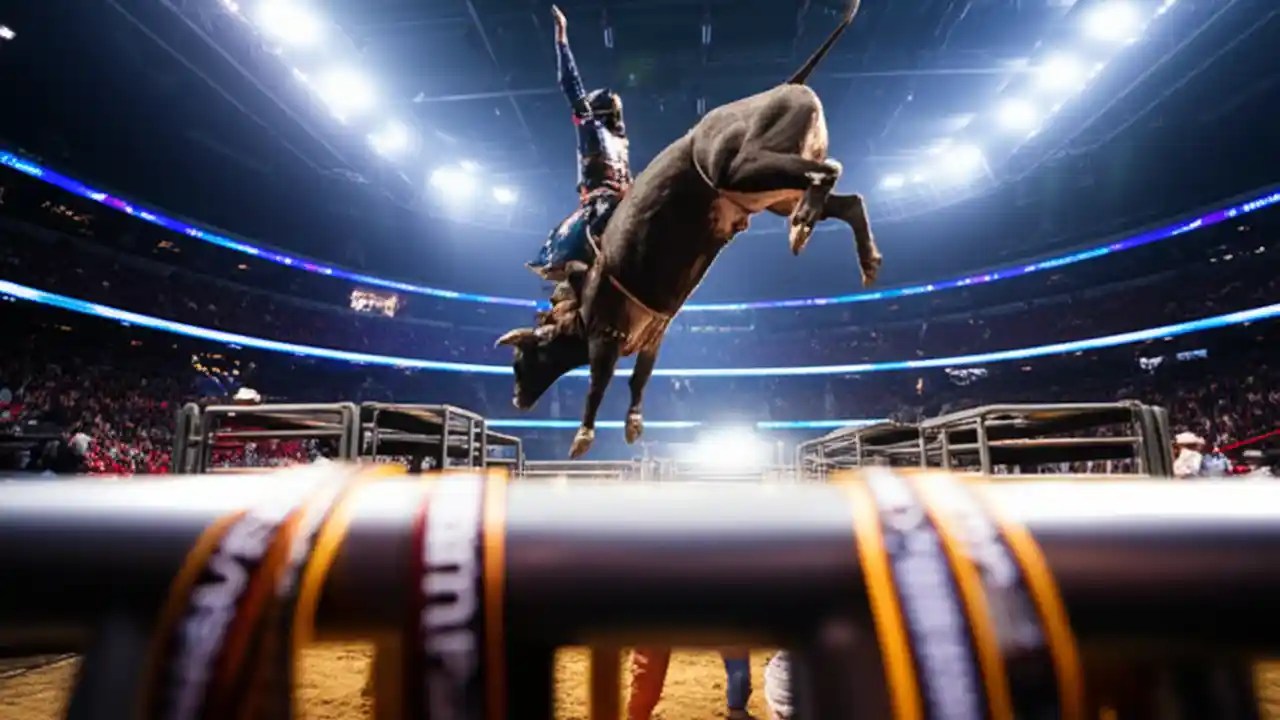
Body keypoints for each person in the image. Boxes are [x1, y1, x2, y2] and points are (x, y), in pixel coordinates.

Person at [525, 5, 632, 282]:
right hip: (600, 206)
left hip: (624, 199)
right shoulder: (591, 129)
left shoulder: (621, 143)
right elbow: (571, 84)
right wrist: (562, 37)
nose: (619, 114)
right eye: (615, 109)